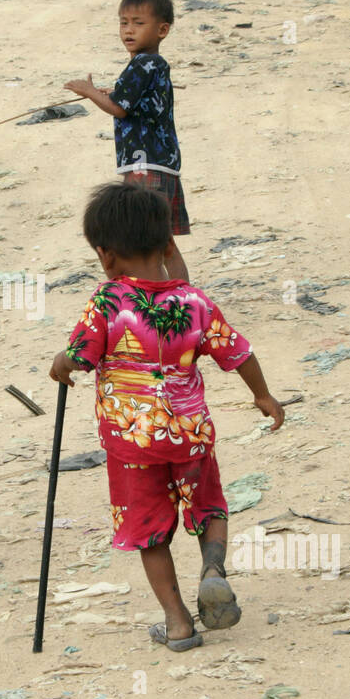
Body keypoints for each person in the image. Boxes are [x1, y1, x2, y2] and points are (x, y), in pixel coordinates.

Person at [49, 184, 284, 652]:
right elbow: (238, 353)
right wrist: (264, 396)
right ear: (168, 245)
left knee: (148, 528)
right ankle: (213, 570)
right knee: (210, 506)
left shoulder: (107, 303)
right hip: (191, 435)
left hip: (133, 443)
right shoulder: (195, 303)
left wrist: (61, 363)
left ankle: (178, 622)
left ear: (105, 255)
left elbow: (78, 356)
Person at [64, 0, 191, 282]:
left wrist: (89, 91)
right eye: (123, 23)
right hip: (163, 164)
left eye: (138, 23)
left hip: (144, 165)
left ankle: (157, 303)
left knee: (145, 242)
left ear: (162, 30)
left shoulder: (143, 63)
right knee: (166, 243)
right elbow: (130, 100)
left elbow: (119, 108)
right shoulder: (154, 64)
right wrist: (109, 92)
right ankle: (185, 298)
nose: (128, 30)